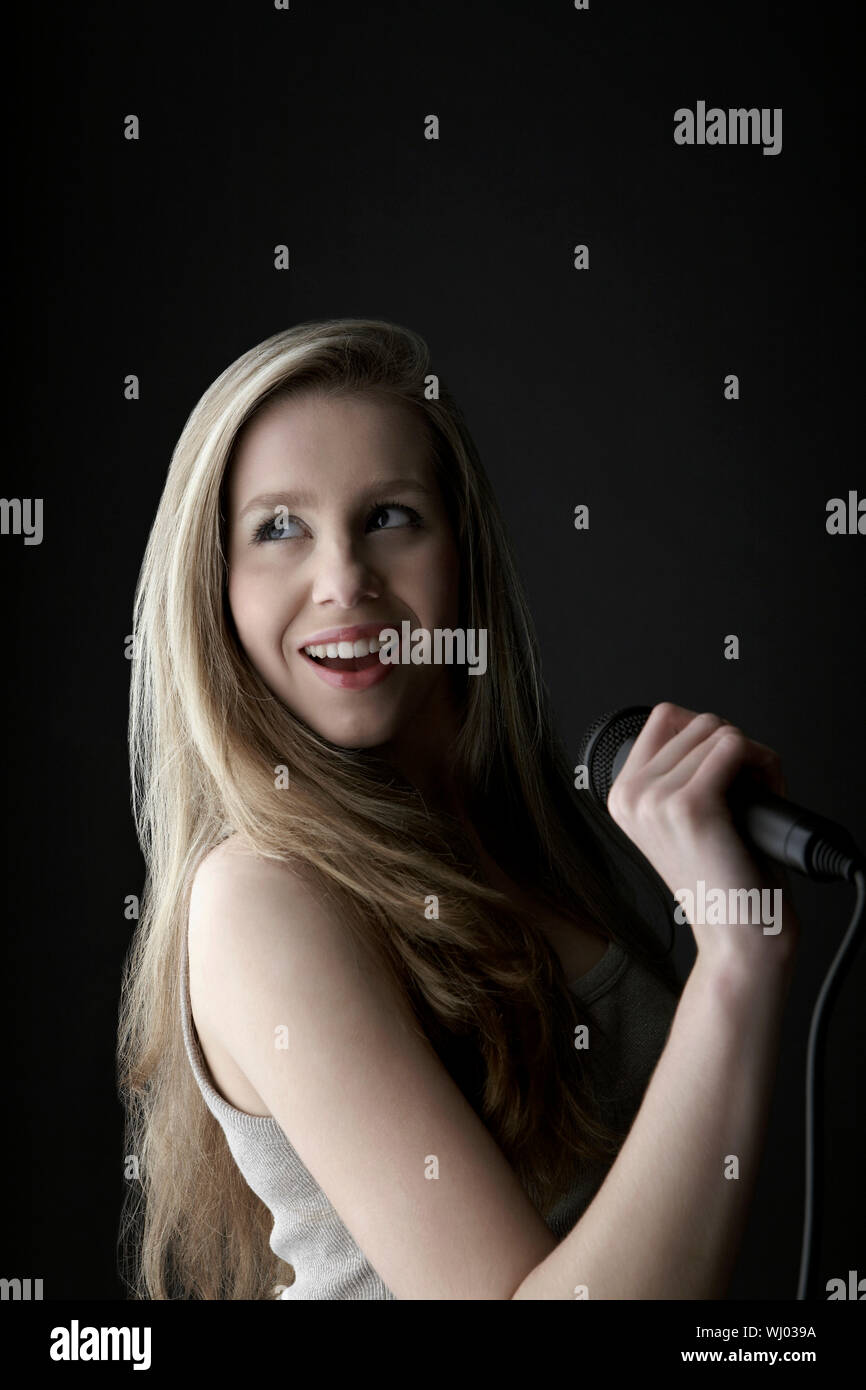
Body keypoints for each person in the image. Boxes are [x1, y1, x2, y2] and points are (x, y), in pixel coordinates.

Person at [117, 318, 800, 1300]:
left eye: (389, 516)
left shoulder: (525, 844)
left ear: (462, 554)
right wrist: (737, 960)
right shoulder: (258, 896)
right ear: (212, 589)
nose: (342, 579)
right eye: (277, 528)